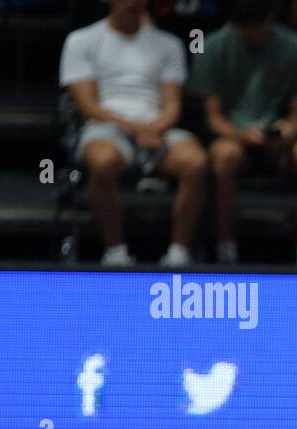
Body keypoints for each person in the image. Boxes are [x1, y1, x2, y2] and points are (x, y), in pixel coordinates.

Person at [59, 0, 209, 266]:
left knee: (195, 162)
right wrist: (135, 129)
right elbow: (87, 106)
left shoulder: (168, 44)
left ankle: (179, 254)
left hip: (157, 128)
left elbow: (173, 104)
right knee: (103, 162)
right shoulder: (81, 40)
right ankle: (115, 253)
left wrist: (156, 127)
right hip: (106, 127)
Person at [190, 0, 297, 267]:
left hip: (279, 142)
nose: (252, 33)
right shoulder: (212, 47)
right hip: (234, 138)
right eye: (246, 28)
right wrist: (240, 135)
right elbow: (213, 117)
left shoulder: (296, 47)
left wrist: (288, 132)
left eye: (258, 26)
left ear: (272, 15)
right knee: (224, 156)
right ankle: (225, 250)